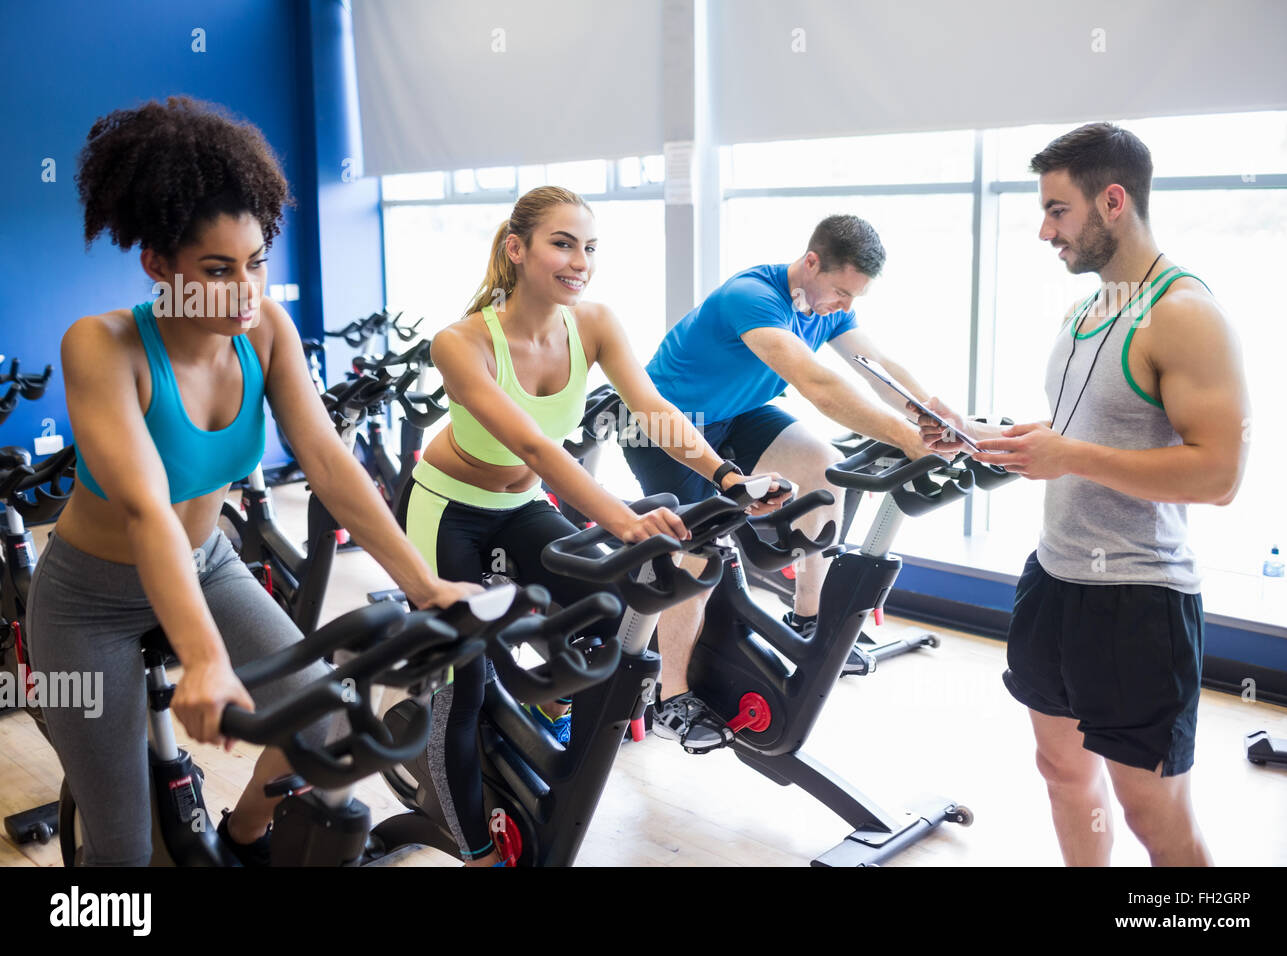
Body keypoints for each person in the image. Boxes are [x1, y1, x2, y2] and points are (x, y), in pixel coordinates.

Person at [26, 97, 479, 867]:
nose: (245, 289)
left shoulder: (265, 331)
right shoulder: (102, 347)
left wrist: (424, 583)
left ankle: (242, 838)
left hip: (208, 567)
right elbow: (145, 509)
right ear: (158, 266)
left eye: (257, 261)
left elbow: (329, 463)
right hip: (90, 603)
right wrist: (204, 658)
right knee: (124, 856)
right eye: (217, 270)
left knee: (328, 716)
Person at [408, 185, 787, 866]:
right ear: (516, 249)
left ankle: (543, 710)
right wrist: (621, 519)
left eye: (589, 247)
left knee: (601, 611)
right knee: (459, 684)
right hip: (449, 513)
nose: (579, 260)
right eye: (562, 243)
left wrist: (730, 478)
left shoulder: (596, 323)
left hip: (520, 508)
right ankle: (471, 849)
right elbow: (535, 448)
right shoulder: (461, 343)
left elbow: (653, 408)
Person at [919, 122, 1248, 866]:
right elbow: (1082, 435)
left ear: (1112, 201)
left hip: (1138, 599)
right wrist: (981, 434)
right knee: (1063, 772)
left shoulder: (1185, 314)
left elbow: (1218, 476)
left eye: (1057, 211)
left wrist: (1068, 454)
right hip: (1055, 580)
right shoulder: (1087, 310)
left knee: (1151, 813)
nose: (1043, 230)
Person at [621, 214, 936, 740]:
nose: (845, 305)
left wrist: (942, 423)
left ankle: (807, 614)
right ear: (811, 262)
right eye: (840, 291)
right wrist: (907, 438)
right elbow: (818, 385)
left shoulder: (826, 306)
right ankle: (668, 692)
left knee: (821, 464)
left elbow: (879, 366)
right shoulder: (752, 295)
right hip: (664, 422)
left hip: (736, 413)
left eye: (855, 296)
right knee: (696, 554)